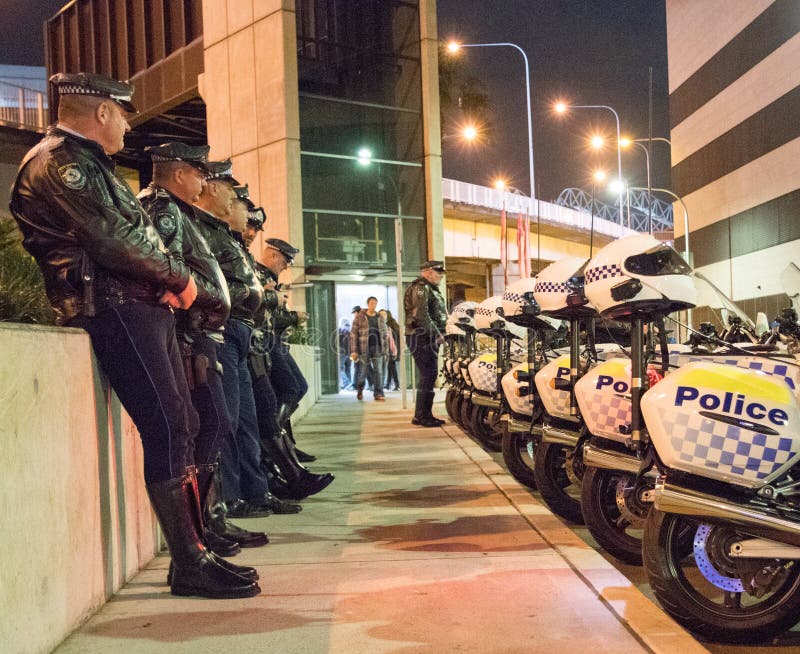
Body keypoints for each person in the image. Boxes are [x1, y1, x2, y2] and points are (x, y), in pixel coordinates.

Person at [9, 73, 258, 599]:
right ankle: (189, 562)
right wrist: (181, 279)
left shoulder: (87, 163)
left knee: (184, 422)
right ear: (101, 111)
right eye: (122, 114)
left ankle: (196, 552)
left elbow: (132, 237)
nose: (125, 124)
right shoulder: (61, 163)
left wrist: (170, 283)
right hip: (112, 306)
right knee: (170, 424)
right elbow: (115, 240)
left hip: (138, 305)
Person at [138, 143, 268, 558]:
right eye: (199, 172)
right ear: (179, 175)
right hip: (190, 336)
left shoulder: (179, 212)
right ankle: (202, 529)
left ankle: (209, 523)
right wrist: (208, 301)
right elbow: (167, 273)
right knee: (209, 425)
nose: (204, 181)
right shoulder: (164, 209)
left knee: (212, 426)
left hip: (200, 336)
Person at [194, 161, 300, 518]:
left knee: (248, 422)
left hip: (241, 335)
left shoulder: (227, 240)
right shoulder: (206, 232)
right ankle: (236, 498)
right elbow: (215, 286)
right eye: (245, 208)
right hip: (225, 332)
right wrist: (262, 295)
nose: (248, 216)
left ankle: (256, 491)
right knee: (231, 424)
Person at [236, 188, 334, 500]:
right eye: (249, 226)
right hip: (255, 344)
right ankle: (280, 470)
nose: (251, 233)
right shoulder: (250, 266)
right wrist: (289, 316)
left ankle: (284, 466)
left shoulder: (247, 262)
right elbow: (257, 309)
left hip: (259, 344)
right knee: (280, 400)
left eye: (254, 229)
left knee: (272, 407)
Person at [404, 260, 448, 426]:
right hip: (421, 336)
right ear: (428, 272)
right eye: (438, 273)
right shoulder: (421, 288)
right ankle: (421, 416)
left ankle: (425, 414)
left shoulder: (430, 288)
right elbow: (421, 316)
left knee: (430, 375)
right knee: (428, 375)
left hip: (426, 336)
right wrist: (437, 334)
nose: (441, 277)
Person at [350, 296, 388, 401]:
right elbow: (353, 334)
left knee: (378, 371)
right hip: (364, 348)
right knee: (363, 371)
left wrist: (386, 350)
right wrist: (354, 351)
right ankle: (360, 389)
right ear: (368, 304)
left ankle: (378, 393)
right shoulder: (360, 317)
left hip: (377, 347)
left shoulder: (380, 317)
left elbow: (385, 334)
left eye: (375, 303)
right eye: (372, 303)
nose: (373, 305)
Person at [381, 309, 401, 390]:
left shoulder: (389, 325)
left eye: (384, 315)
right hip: (393, 348)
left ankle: (396, 384)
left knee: (392, 366)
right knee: (390, 367)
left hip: (391, 348)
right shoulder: (393, 323)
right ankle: (388, 384)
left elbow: (393, 338)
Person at [338, 318, 352, 389]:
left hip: (342, 353)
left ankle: (347, 382)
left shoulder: (340, 330)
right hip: (350, 354)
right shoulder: (351, 331)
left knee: (340, 368)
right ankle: (349, 385)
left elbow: (337, 342)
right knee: (348, 369)